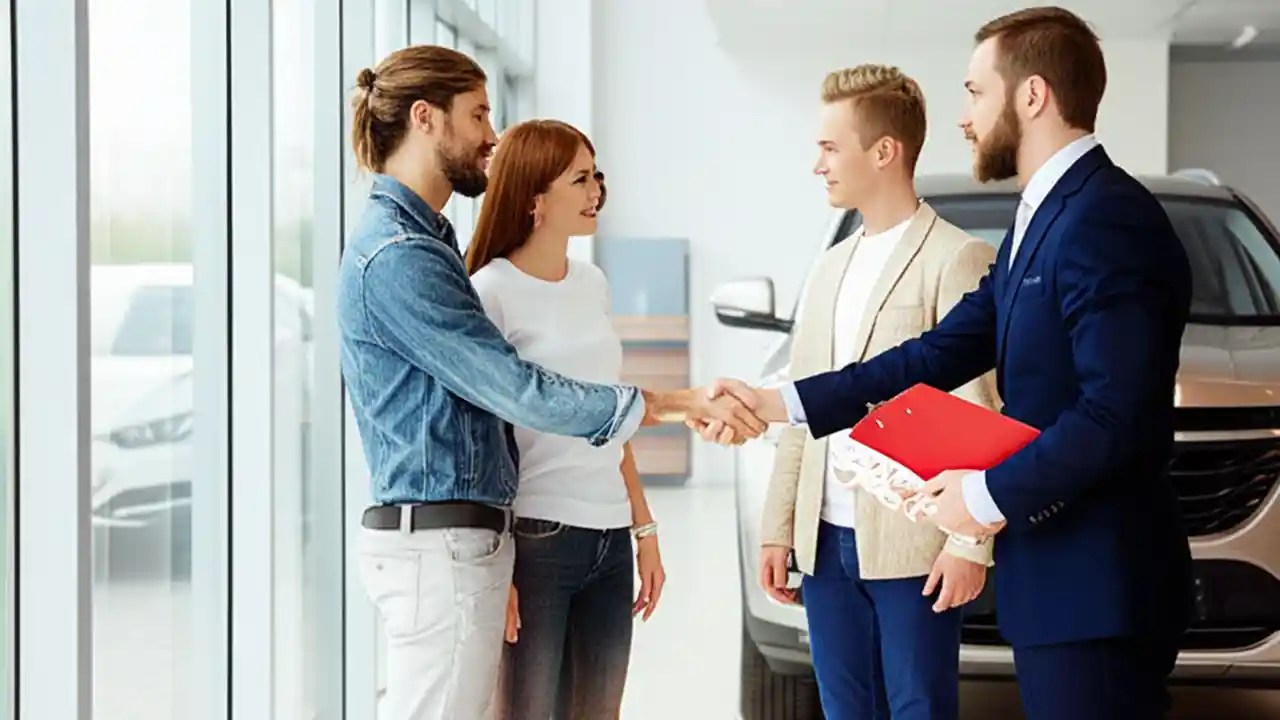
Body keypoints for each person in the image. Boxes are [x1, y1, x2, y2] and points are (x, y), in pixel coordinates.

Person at [701, 8, 1194, 719]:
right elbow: (932, 354)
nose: (963, 117)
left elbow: (1114, 413)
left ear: (1031, 96)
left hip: (1099, 587)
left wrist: (982, 498)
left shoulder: (1104, 218)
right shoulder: (1042, 216)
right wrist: (780, 403)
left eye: (973, 92)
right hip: (1060, 584)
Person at [337, 46, 764, 720]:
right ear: (425, 118)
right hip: (452, 543)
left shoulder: (428, 242)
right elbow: (518, 393)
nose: (492, 135)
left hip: (475, 538)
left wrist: (641, 526)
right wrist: (679, 403)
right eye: (478, 114)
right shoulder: (403, 257)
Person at [758, 64, 999, 720]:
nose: (818, 165)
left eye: (830, 148)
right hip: (825, 540)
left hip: (913, 540)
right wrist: (778, 528)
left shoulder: (957, 257)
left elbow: (976, 410)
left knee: (920, 708)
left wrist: (968, 543)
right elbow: (804, 405)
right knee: (844, 709)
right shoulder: (829, 268)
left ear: (884, 152)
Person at [467, 118, 665, 720]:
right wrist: (497, 568)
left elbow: (610, 412)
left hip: (609, 538)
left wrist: (644, 529)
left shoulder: (592, 282)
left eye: (595, 176)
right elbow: (479, 440)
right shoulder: (490, 291)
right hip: (537, 542)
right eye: (579, 179)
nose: (595, 192)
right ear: (534, 199)